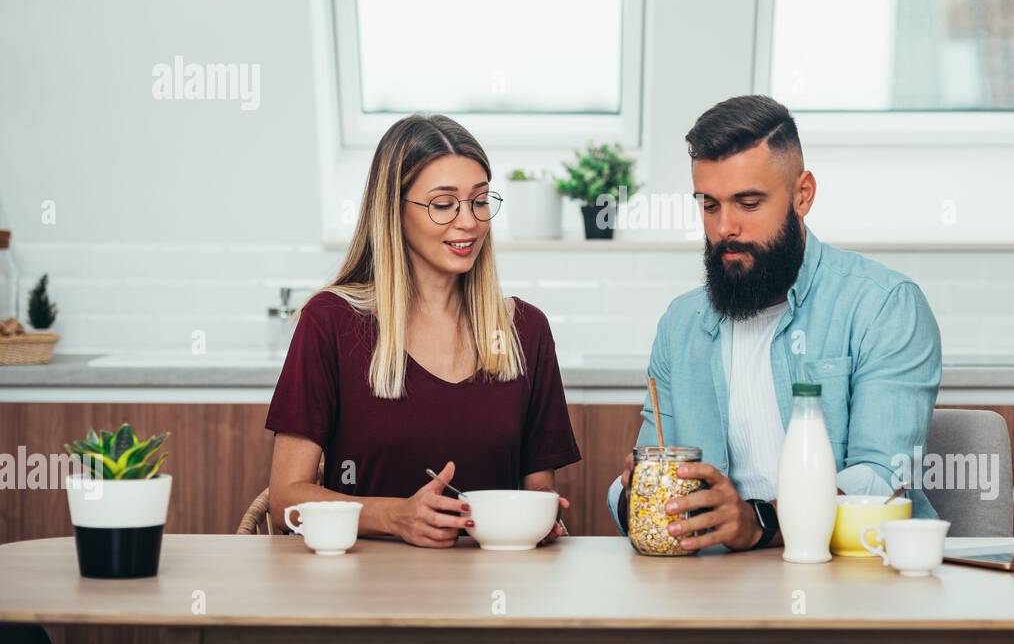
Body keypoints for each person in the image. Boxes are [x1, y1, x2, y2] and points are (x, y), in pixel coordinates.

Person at [607, 95, 942, 552]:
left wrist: (759, 521)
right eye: (709, 205)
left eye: (748, 203)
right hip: (715, 585)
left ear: (802, 194)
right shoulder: (680, 325)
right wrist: (635, 491)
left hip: (857, 577)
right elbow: (646, 468)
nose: (725, 227)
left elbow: (883, 476)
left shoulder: (884, 306)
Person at [266, 114, 581, 548]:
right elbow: (286, 500)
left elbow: (537, 487)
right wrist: (395, 516)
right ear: (393, 211)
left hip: (496, 595)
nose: (468, 222)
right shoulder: (331, 322)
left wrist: (541, 515)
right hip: (366, 593)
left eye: (480, 200)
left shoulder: (525, 331)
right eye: (443, 204)